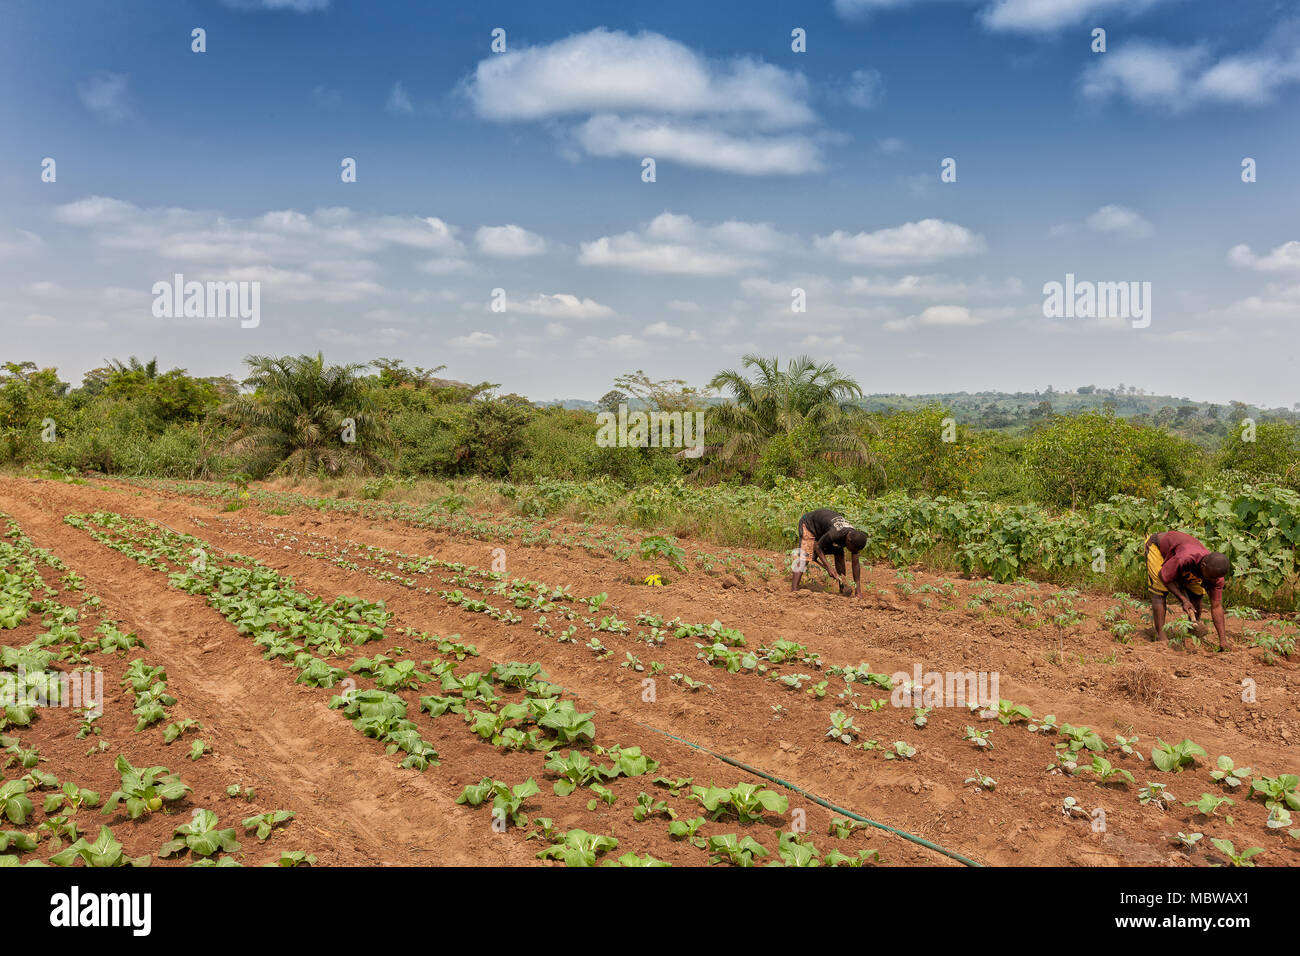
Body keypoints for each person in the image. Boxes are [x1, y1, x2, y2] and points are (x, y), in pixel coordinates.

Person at [1145, 531, 1231, 648]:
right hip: (1158, 547)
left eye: (1215, 578)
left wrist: (1223, 640)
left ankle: (1192, 631)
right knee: (1159, 591)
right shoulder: (1185, 558)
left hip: (1181, 561)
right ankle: (1161, 636)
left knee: (1197, 593)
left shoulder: (1216, 577)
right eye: (1210, 577)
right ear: (1203, 566)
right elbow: (1163, 576)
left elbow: (1216, 606)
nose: (1212, 581)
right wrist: (1183, 599)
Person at [792, 508, 867, 597]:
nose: (853, 552)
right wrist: (829, 568)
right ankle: (794, 590)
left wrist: (858, 590)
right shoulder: (835, 533)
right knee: (806, 555)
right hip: (809, 524)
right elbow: (818, 547)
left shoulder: (854, 537)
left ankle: (843, 587)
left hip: (824, 530)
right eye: (852, 549)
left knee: (839, 553)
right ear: (848, 540)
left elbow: (855, 564)